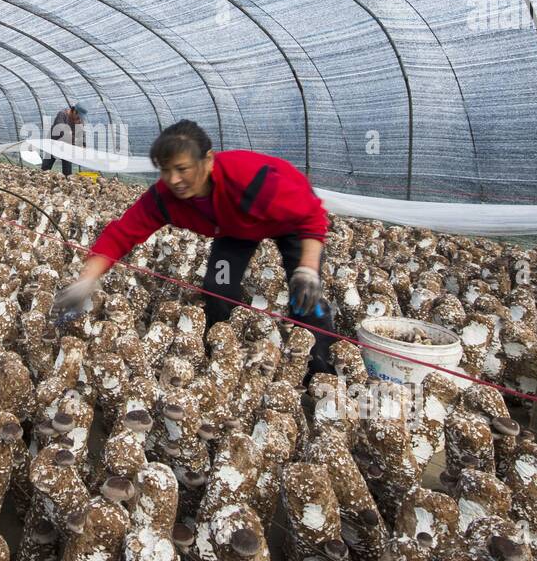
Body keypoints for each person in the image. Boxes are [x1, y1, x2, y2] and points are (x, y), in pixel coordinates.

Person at [54, 119, 336, 376]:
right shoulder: (164, 197)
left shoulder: (250, 179)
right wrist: (87, 278)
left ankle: (321, 367)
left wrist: (308, 269)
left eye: (182, 169)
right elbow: (122, 233)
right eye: (166, 170)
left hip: (290, 224)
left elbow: (311, 216)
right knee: (217, 288)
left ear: (208, 160)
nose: (174, 180)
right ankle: (222, 353)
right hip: (234, 229)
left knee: (304, 297)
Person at [41, 103, 87, 176]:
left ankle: (66, 180)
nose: (79, 119)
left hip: (66, 147)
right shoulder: (62, 114)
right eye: (78, 117)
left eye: (80, 118)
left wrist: (83, 144)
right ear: (74, 111)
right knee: (45, 168)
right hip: (54, 144)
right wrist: (75, 142)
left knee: (67, 171)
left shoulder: (79, 120)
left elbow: (81, 133)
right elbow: (61, 131)